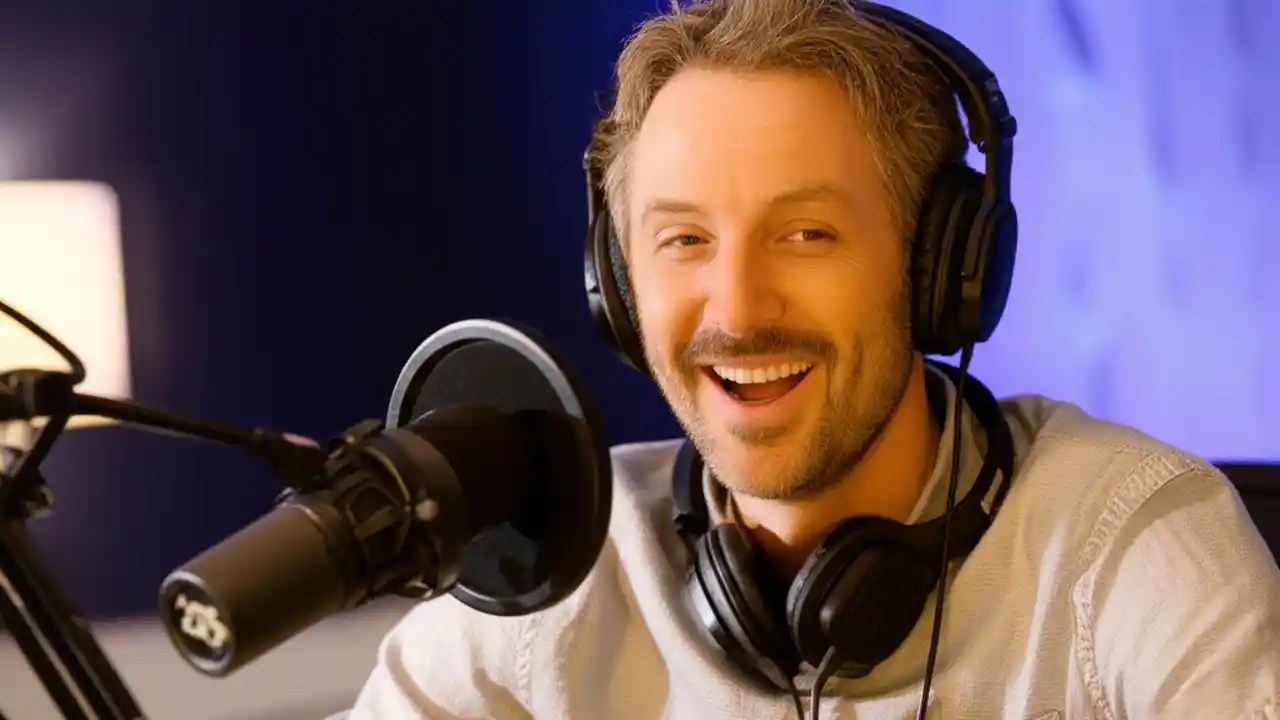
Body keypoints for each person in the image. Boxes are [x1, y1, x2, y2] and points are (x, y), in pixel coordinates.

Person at [347, 1, 1280, 718]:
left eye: (806, 233)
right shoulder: (548, 599)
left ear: (937, 267)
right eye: (684, 240)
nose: (738, 309)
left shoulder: (1133, 548)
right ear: (618, 287)